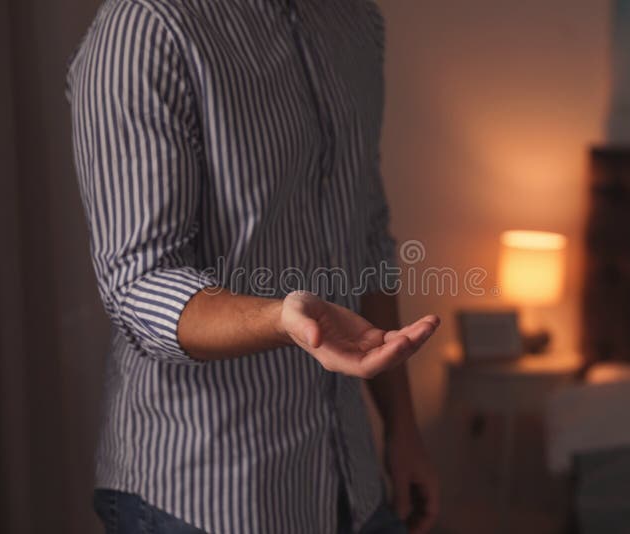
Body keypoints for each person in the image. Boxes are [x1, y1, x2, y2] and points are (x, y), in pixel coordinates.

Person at [67, 0, 439, 532]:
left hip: (349, 482)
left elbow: (368, 233)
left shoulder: (355, 18)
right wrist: (282, 321)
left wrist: (403, 428)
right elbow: (140, 283)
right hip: (202, 494)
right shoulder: (147, 26)